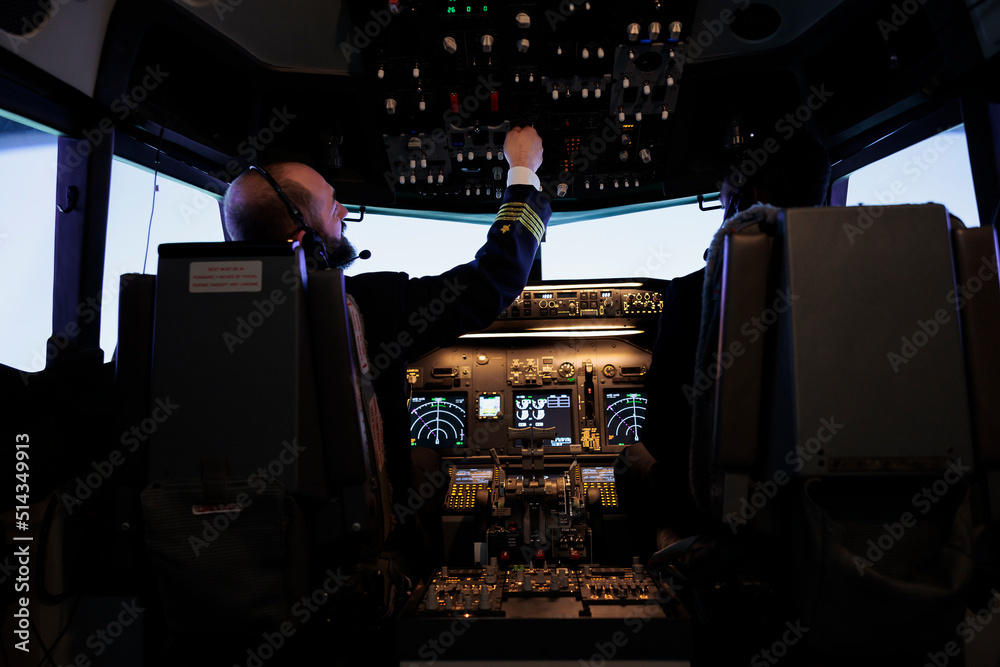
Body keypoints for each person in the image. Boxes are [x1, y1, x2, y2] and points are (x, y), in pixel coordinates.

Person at [222, 126, 551, 563]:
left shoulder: (194, 336)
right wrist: (522, 169)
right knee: (429, 467)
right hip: (373, 552)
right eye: (332, 205)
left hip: (247, 556)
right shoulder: (366, 309)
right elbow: (491, 280)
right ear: (304, 243)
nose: (342, 211)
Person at [626, 130, 831, 547]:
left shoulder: (696, 295)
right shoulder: (852, 289)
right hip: (827, 509)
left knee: (631, 457)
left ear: (743, 200)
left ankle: (672, 568)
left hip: (718, 515)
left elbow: (661, 435)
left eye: (723, 201)